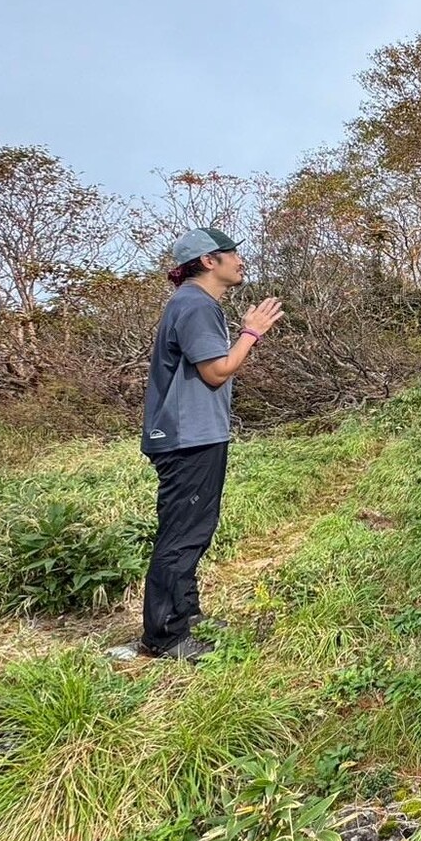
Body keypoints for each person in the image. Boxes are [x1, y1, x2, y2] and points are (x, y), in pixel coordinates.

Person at [138, 227, 285, 662]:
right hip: (188, 439)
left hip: (194, 435)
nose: (240, 260)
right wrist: (251, 333)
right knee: (183, 534)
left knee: (193, 530)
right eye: (232, 253)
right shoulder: (196, 305)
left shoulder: (193, 304)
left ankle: (186, 615)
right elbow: (217, 371)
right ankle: (164, 636)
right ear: (209, 261)